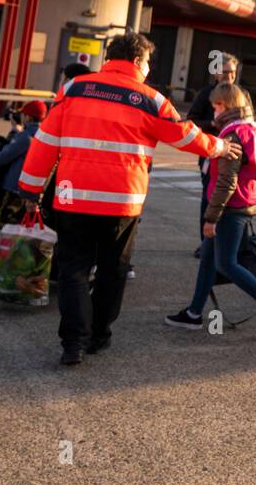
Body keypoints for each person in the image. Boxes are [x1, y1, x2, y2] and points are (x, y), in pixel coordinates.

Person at [18, 32, 241, 366]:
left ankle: (72, 343)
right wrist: (220, 147)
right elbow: (183, 134)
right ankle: (98, 335)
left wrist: (31, 190)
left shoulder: (74, 89)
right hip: (121, 203)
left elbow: (45, 142)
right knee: (112, 270)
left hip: (72, 198)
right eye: (148, 62)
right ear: (137, 61)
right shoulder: (149, 99)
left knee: (73, 270)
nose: (149, 68)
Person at [166, 83, 256, 337]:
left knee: (226, 263)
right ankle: (194, 314)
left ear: (227, 106)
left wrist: (211, 217)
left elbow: (226, 182)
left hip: (230, 208)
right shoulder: (255, 130)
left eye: (217, 105)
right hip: (246, 201)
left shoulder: (231, 135)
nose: (214, 111)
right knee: (209, 261)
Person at [187, 52, 240, 255]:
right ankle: (206, 243)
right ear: (216, 74)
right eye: (225, 73)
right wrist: (211, 123)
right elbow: (190, 121)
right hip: (212, 153)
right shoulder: (206, 93)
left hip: (236, 155)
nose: (229, 77)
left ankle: (227, 245)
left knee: (232, 201)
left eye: (233, 73)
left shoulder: (241, 94)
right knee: (209, 198)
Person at [0, 100, 48, 228]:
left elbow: (5, 155)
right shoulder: (45, 134)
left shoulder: (25, 137)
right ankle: (22, 239)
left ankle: (16, 240)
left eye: (24, 115)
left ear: (28, 117)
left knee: (1, 217)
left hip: (15, 186)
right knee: (21, 215)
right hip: (34, 186)